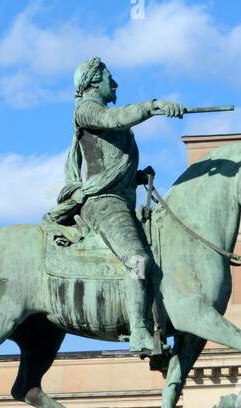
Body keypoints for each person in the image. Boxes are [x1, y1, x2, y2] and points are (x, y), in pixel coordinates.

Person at [44, 57, 184, 357]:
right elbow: (116, 120)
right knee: (137, 260)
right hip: (103, 204)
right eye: (110, 77)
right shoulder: (87, 110)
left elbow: (107, 164)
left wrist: (134, 177)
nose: (115, 83)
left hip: (119, 199)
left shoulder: (98, 113)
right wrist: (154, 105)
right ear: (94, 82)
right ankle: (139, 334)